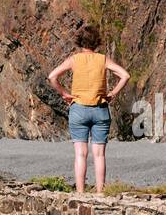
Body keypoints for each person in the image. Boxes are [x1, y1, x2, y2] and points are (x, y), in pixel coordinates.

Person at [47, 24, 129, 193]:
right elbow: (125, 75)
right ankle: (100, 192)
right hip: (100, 109)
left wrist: (64, 93)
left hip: (78, 109)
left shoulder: (74, 59)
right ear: (96, 42)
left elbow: (52, 76)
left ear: (79, 41)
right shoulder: (103, 59)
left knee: (80, 154)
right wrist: (113, 93)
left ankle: (80, 193)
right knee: (99, 155)